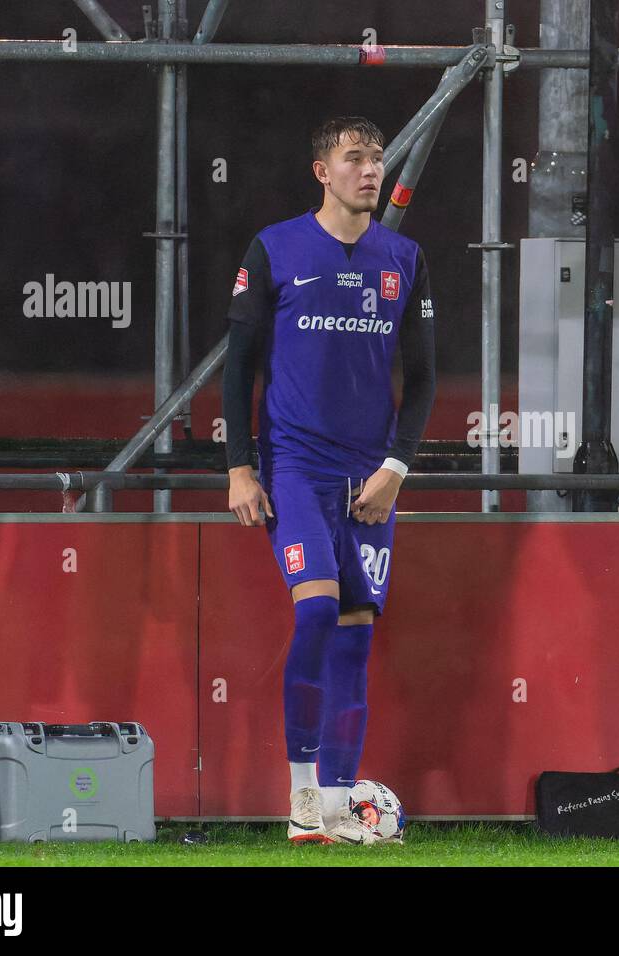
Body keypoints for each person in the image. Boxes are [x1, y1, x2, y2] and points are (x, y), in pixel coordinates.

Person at [220, 116, 436, 845]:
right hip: (296, 469)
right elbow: (238, 364)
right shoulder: (276, 248)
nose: (369, 170)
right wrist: (240, 467)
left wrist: (396, 468)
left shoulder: (402, 257)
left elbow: (427, 375)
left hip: (369, 477)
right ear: (322, 171)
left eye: (377, 159)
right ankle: (302, 796)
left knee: (354, 635)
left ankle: (341, 813)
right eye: (354, 158)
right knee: (314, 614)